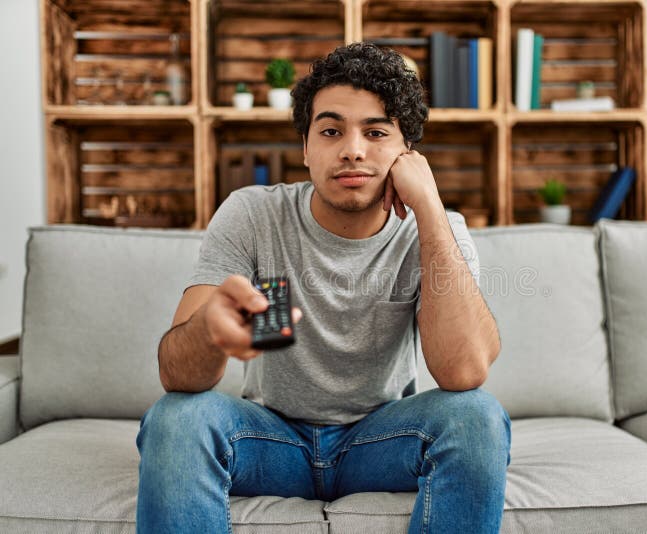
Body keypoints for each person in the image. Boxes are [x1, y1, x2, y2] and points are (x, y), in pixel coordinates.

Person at [136, 42, 511, 534]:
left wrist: (429, 207)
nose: (352, 149)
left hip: (382, 442)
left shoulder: (437, 228)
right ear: (306, 148)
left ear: (407, 152)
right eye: (331, 131)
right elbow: (176, 375)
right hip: (271, 440)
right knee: (176, 417)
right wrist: (208, 330)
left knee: (477, 416)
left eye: (376, 132)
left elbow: (463, 372)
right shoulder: (254, 216)